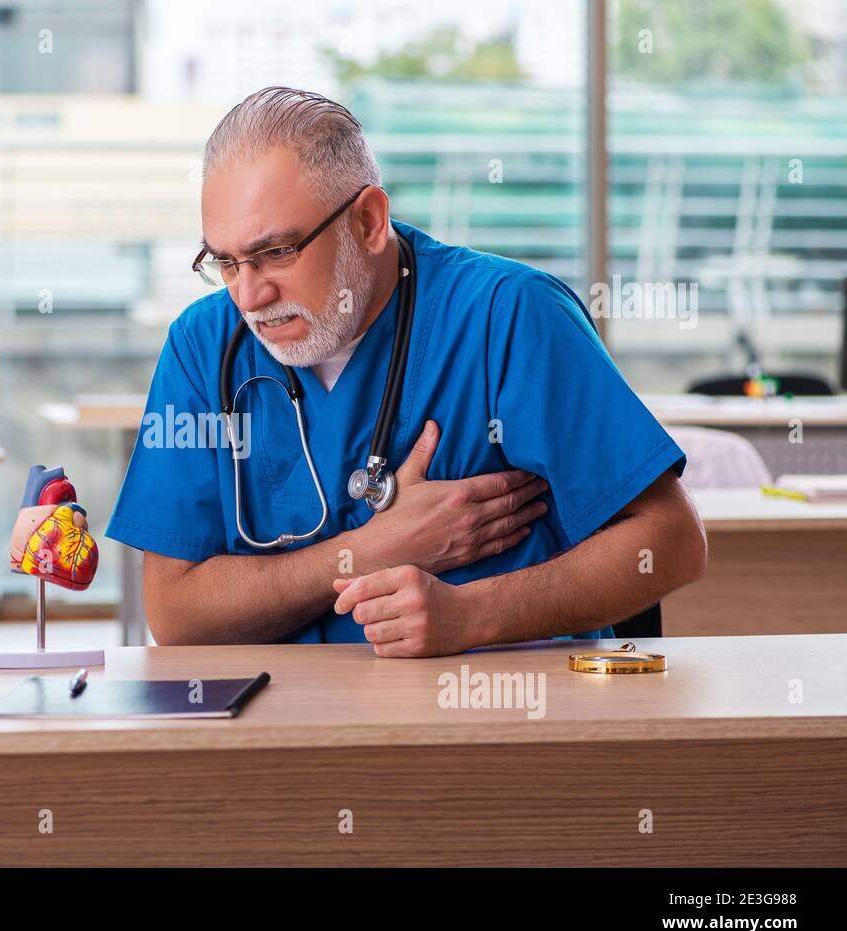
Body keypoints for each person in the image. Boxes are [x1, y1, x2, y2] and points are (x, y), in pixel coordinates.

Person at [104, 87, 706, 655]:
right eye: (226, 262)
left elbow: (671, 541)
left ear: (367, 221)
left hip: (497, 731)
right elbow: (175, 614)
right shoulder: (205, 345)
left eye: (277, 253)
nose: (249, 296)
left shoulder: (510, 316)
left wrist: (474, 615)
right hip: (279, 735)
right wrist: (369, 550)